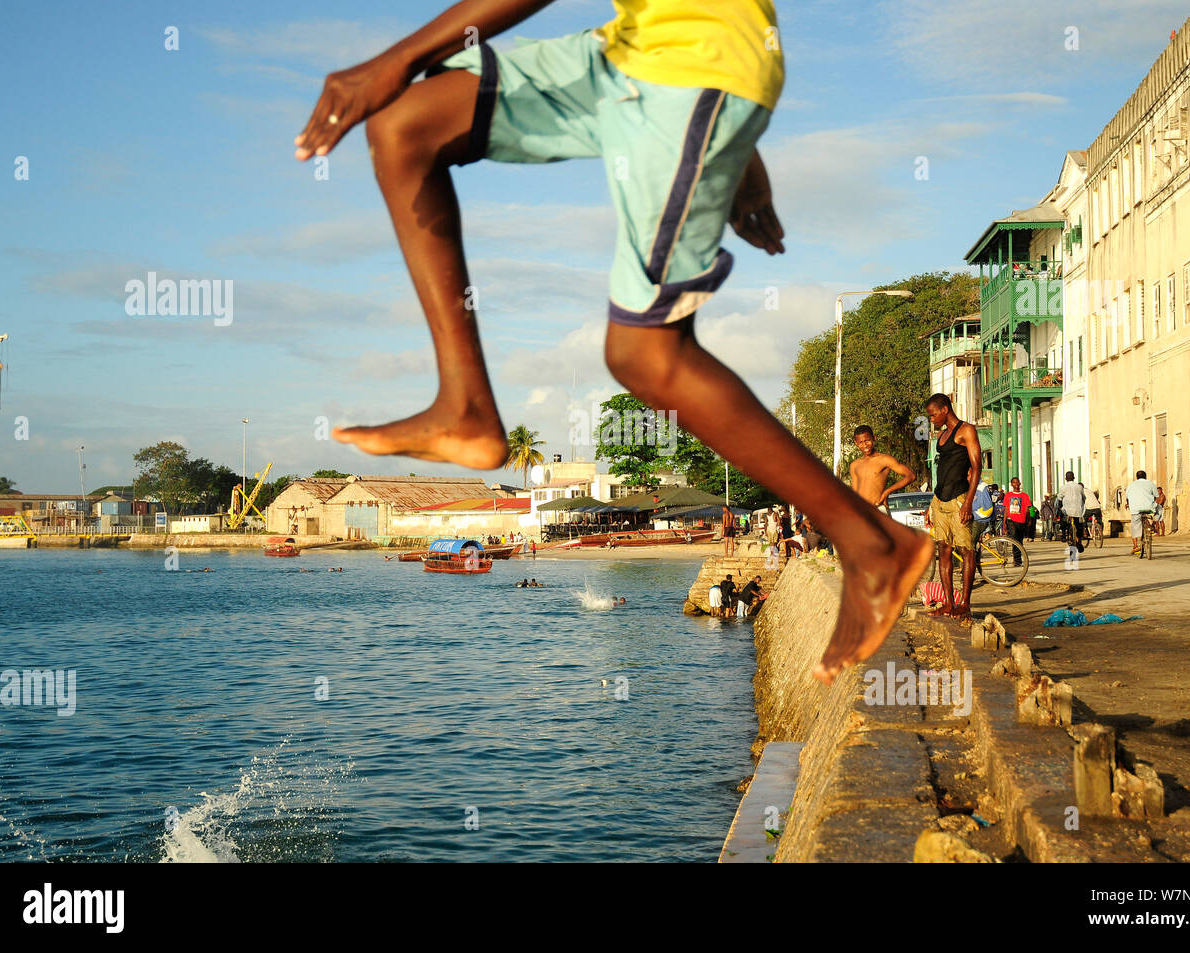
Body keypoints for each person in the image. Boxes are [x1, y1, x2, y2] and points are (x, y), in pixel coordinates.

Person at [296, 0, 930, 682]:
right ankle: (465, 406)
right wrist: (739, 165)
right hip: (628, 54)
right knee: (404, 126)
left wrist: (393, 59)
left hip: (687, 68)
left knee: (644, 353)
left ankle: (872, 541)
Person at [925, 394, 982, 620]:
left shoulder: (966, 430)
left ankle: (965, 604)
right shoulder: (942, 435)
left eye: (933, 414)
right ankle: (949, 603)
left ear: (945, 409)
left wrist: (968, 501)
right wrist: (931, 504)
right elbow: (942, 472)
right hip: (940, 500)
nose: (931, 419)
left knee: (967, 551)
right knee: (944, 550)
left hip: (959, 499)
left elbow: (976, 467)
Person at [848, 425, 916, 509]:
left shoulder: (884, 459)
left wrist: (887, 492)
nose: (864, 445)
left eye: (867, 440)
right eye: (860, 442)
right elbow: (854, 493)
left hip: (877, 508)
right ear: (856, 443)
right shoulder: (854, 465)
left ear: (874, 438)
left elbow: (911, 476)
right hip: (860, 512)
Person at [1125, 470, 1160, 555]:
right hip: (1149, 507)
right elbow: (1156, 496)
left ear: (1136, 477)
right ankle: (1154, 524)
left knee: (1135, 526)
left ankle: (1136, 546)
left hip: (1135, 509)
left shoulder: (1131, 485)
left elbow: (1127, 497)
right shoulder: (1151, 483)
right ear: (1145, 476)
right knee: (1159, 509)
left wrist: (1128, 504)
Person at [1001, 477, 1031, 567]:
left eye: (1017, 482)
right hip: (1011, 520)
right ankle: (1017, 560)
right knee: (1014, 540)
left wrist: (1028, 520)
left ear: (1020, 484)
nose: (1016, 484)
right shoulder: (1008, 495)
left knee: (1020, 541)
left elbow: (1027, 509)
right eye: (1014, 482)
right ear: (1011, 484)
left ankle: (1018, 559)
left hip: (1021, 520)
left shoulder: (1024, 495)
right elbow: (1006, 509)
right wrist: (1004, 523)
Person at [1057, 471, 1085, 553]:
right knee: (1079, 525)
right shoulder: (1079, 487)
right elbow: (1084, 497)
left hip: (1067, 511)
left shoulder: (1063, 487)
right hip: (1078, 511)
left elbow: (1059, 498)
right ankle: (1079, 539)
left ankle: (1063, 534)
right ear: (1074, 478)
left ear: (1066, 478)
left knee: (1062, 518)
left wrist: (1059, 507)